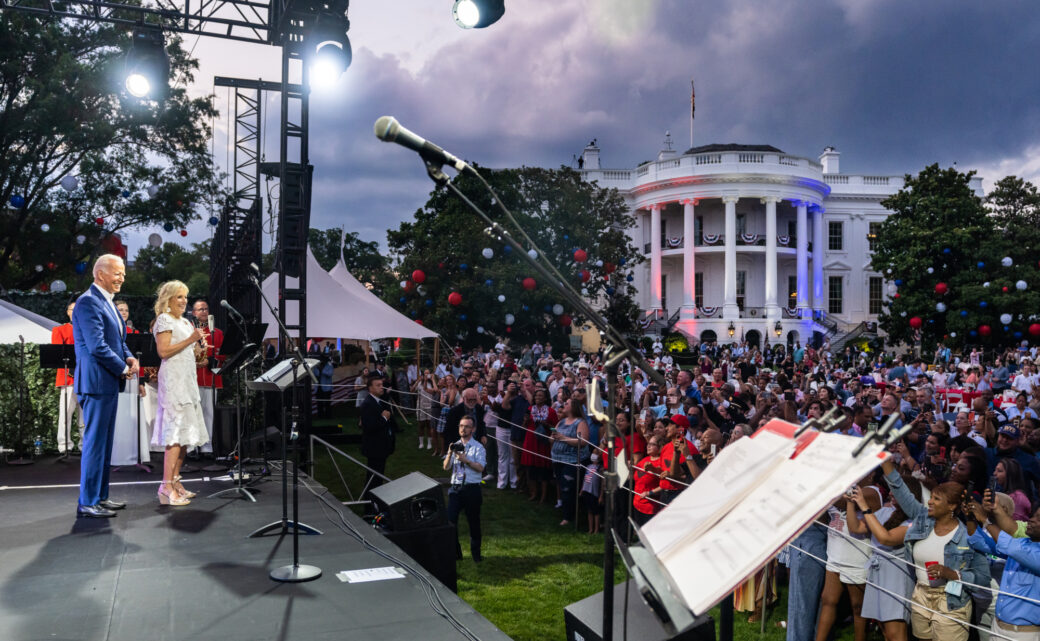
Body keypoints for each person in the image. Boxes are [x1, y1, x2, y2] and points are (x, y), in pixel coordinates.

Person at [881, 457, 990, 641]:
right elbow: (900, 489)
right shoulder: (923, 519)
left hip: (951, 600)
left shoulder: (967, 536)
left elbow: (983, 578)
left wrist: (952, 573)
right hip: (921, 595)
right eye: (931, 497)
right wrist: (883, 457)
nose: (930, 502)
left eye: (936, 499)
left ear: (952, 506)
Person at [72, 255, 138, 517]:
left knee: (104, 443)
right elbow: (98, 346)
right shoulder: (88, 303)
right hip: (97, 383)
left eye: (123, 273)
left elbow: (117, 340)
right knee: (95, 444)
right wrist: (122, 368)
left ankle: (100, 496)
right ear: (100, 274)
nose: (122, 278)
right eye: (118, 273)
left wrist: (129, 356)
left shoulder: (106, 302)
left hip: (107, 383)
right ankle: (88, 501)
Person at [151, 281, 211, 506]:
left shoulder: (185, 321)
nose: (184, 301)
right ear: (168, 298)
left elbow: (191, 354)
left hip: (188, 381)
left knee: (184, 435)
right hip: (174, 382)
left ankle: (176, 482)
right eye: (179, 297)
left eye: (185, 297)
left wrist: (198, 350)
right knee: (175, 434)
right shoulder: (164, 319)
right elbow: (163, 351)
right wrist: (190, 340)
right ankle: (165, 486)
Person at [443, 416, 486, 562]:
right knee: (450, 522)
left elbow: (481, 468)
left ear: (473, 429)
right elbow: (446, 467)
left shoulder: (478, 447)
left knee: (474, 523)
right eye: (461, 426)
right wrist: (449, 453)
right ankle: (456, 553)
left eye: (467, 426)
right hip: (455, 489)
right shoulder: (455, 445)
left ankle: (476, 555)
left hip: (472, 489)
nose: (463, 429)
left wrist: (466, 460)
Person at [550, 398, 589, 527]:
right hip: (557, 459)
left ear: (573, 407)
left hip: (571, 461)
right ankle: (566, 512)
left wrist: (562, 438)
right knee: (562, 486)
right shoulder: (561, 422)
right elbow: (552, 437)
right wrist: (552, 437)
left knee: (568, 488)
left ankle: (568, 516)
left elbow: (582, 442)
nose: (564, 405)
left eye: (566, 403)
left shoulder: (580, 422)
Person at [52, 300, 84, 453]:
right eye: (73, 309)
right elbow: (58, 353)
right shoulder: (60, 330)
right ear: (68, 312)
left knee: (84, 416)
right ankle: (64, 445)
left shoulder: (87, 329)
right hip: (68, 378)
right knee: (66, 413)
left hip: (85, 378)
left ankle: (84, 445)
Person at [359, 374, 397, 504]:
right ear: (370, 388)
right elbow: (370, 426)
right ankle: (370, 504)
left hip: (381, 447)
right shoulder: (368, 404)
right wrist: (384, 418)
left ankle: (375, 501)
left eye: (382, 385)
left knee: (377, 477)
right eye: (378, 385)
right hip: (374, 448)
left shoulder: (378, 401)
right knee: (373, 477)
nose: (382, 387)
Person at [191, 299, 223, 454]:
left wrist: (208, 360)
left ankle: (206, 446)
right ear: (194, 312)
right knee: (192, 414)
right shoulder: (188, 331)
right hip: (192, 378)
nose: (203, 311)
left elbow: (222, 355)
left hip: (211, 377)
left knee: (208, 414)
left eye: (206, 308)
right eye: (200, 309)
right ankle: (191, 447)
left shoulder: (217, 333)